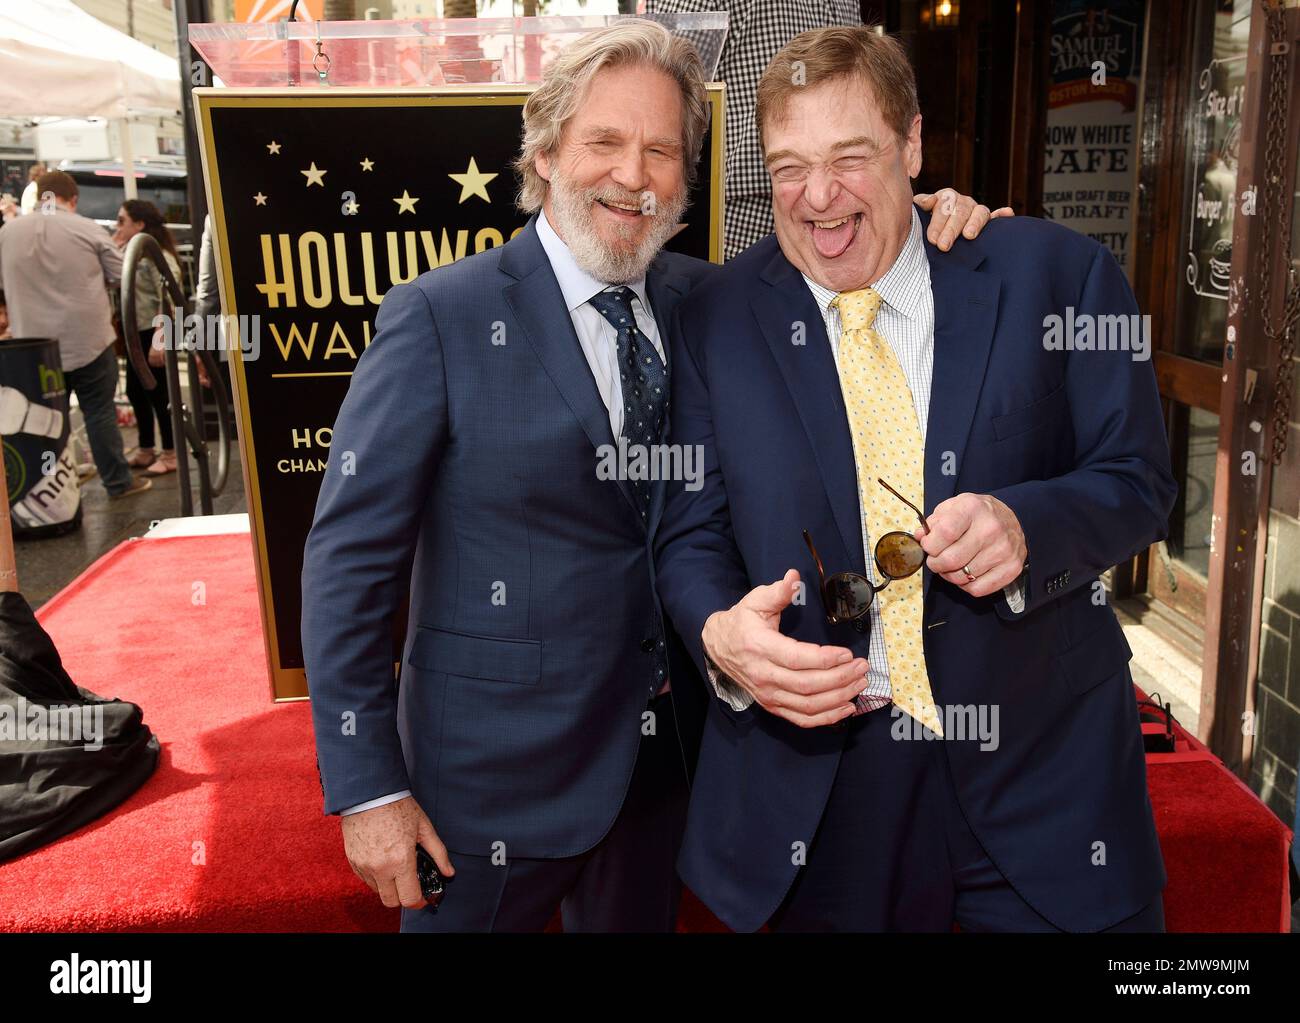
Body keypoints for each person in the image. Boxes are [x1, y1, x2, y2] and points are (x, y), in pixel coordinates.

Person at [301, 19, 999, 933]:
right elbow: (349, 565)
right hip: (484, 794)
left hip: (666, 776)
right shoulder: (440, 317)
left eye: (662, 151)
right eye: (604, 142)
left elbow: (856, 257)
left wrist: (954, 222)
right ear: (545, 151)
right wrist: (365, 788)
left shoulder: (714, 301)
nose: (634, 176)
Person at [654, 26, 1177, 932]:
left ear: (914, 146)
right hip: (816, 806)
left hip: (1043, 788)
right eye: (788, 166)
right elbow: (689, 528)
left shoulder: (1058, 273)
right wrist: (718, 632)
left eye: (851, 156)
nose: (818, 198)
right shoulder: (714, 317)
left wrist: (1028, 524)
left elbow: (1139, 480)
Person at [0, 171, 149, 498]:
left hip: (32, 346)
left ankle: (52, 490)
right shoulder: (87, 229)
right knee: (99, 411)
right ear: (74, 198)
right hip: (88, 339)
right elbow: (120, 276)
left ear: (39, 194)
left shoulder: (8, 233)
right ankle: (118, 482)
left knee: (45, 420)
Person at [114, 199, 181, 476]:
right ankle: (146, 447)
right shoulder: (134, 254)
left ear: (139, 225)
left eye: (122, 221)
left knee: (159, 393)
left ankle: (171, 453)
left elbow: (167, 294)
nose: (117, 226)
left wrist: (160, 338)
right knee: (136, 391)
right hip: (137, 331)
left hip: (151, 331)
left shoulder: (155, 255)